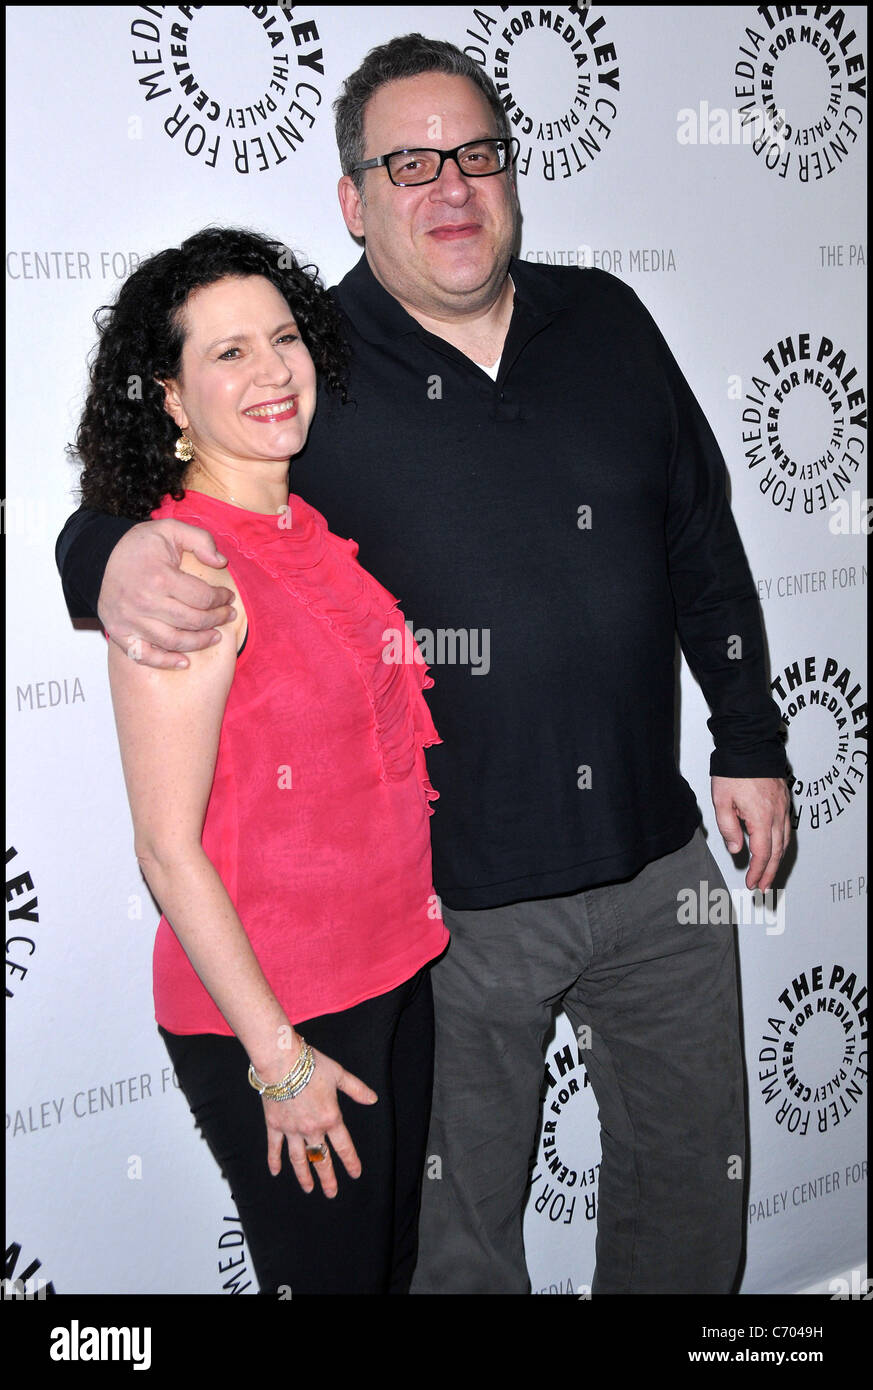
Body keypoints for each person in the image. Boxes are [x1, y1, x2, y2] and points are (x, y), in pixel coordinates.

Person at [57, 36, 791, 1295]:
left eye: (477, 155)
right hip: (451, 917)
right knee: (455, 1253)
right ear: (353, 198)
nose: (451, 186)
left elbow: (700, 537)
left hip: (660, 864)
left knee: (689, 1200)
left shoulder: (607, 318)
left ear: (512, 176)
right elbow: (155, 498)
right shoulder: (309, 367)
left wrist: (751, 738)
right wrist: (106, 553)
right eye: (410, 162)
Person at [67, 225, 448, 1295]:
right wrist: (277, 1062)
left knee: (388, 1274)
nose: (272, 369)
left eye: (281, 338)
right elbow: (164, 845)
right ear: (173, 399)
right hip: (277, 1010)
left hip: (392, 975)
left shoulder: (310, 528)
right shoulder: (182, 563)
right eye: (227, 352)